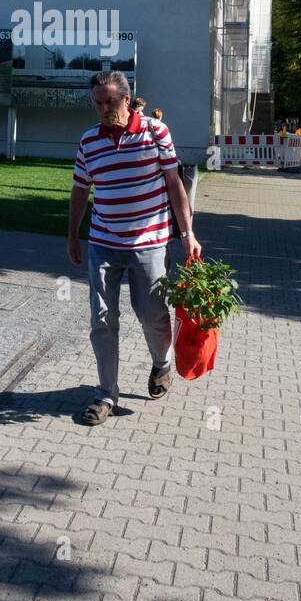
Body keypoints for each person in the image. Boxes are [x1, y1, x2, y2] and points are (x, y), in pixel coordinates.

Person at [68, 70, 202, 427]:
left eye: (110, 101)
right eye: (97, 102)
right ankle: (105, 394)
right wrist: (72, 235)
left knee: (151, 315)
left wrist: (187, 233)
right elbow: (81, 191)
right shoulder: (89, 141)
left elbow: (174, 185)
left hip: (150, 243)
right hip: (102, 243)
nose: (103, 108)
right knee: (101, 320)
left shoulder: (155, 133)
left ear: (127, 99)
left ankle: (161, 364)